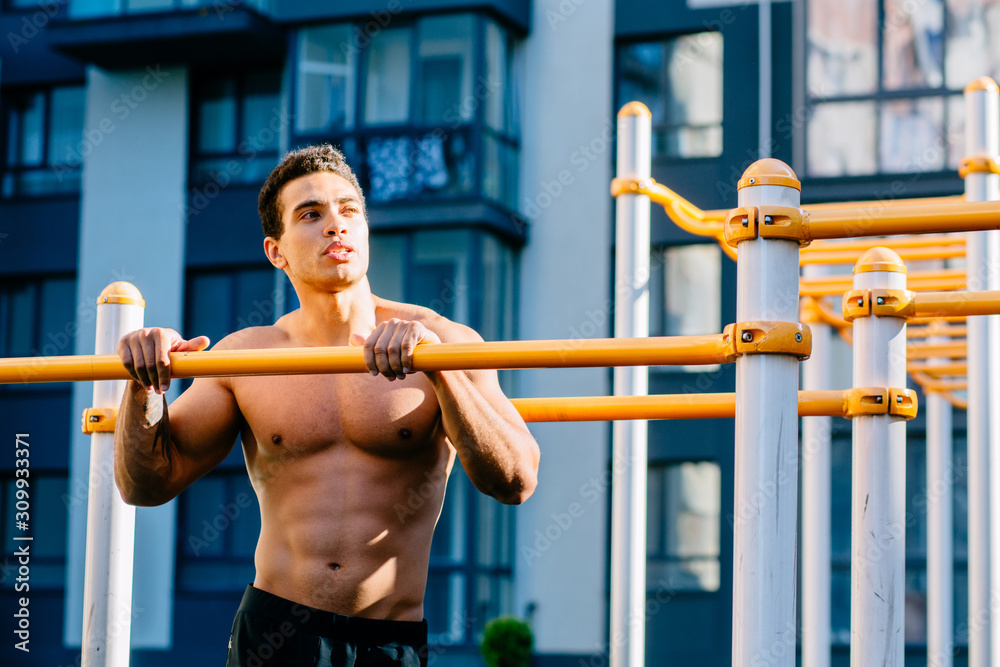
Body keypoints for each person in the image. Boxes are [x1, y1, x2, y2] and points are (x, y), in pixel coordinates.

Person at [113, 144, 541, 667]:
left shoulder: (445, 341)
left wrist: (440, 370)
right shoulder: (245, 358)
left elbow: (516, 482)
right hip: (274, 632)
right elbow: (145, 485)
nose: (335, 226)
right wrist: (143, 387)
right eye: (311, 215)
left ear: (364, 231)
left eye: (349, 211)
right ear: (277, 251)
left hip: (388, 640)